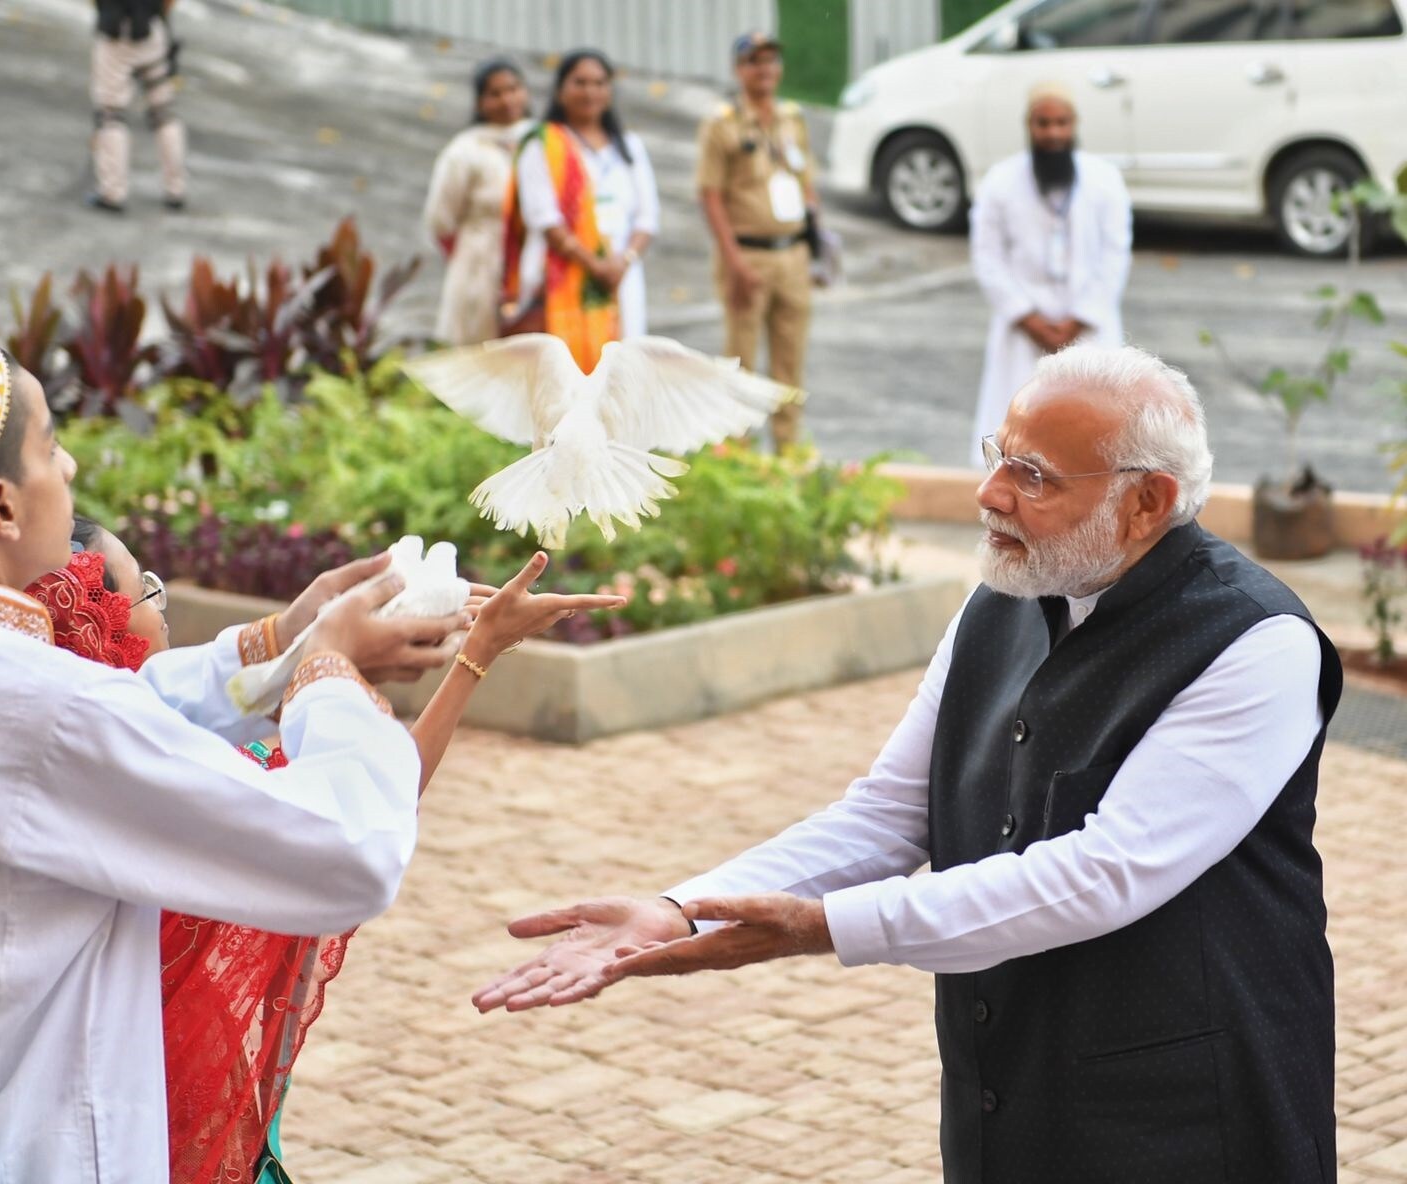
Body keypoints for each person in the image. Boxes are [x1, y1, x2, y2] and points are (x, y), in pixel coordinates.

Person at [475, 345, 1345, 1183]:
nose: (989, 493)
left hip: (1189, 1120)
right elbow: (889, 812)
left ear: (1148, 502)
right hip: (1009, 1102)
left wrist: (824, 927)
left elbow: (1107, 873)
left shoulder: (1254, 643)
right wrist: (684, 909)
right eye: (997, 457)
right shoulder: (1004, 597)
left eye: (1032, 475)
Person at [0, 319, 464, 1182]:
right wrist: (334, 678)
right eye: (50, 448)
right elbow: (346, 854)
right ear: (0, 505)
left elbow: (91, 730)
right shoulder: (32, 712)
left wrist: (278, 643)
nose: (70, 470)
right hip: (34, 1145)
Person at [17, 517, 616, 1184]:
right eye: (147, 591)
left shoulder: (67, 746)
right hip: (143, 1089)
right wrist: (346, 665)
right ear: (98, 627)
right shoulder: (170, 774)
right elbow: (356, 827)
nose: (163, 606)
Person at [969, 83, 1131, 463]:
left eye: (1061, 123)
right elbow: (987, 257)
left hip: (1090, 331)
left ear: (1074, 125)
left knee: (1095, 437)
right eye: (1044, 123)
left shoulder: (1105, 180)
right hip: (1022, 331)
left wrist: (1078, 320)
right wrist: (1029, 319)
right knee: (1013, 439)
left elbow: (1115, 256)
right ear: (1029, 125)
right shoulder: (1000, 181)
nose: (1053, 133)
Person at [505, 49, 660, 370]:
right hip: (564, 273)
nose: (590, 91)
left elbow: (647, 217)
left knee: (622, 369)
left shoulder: (629, 146)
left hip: (622, 275)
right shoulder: (542, 144)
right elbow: (544, 219)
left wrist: (623, 261)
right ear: (561, 90)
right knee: (564, 373)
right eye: (580, 82)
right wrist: (595, 265)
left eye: (600, 83)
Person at [696, 32, 815, 450]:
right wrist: (734, 263)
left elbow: (805, 182)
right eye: (753, 61)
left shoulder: (790, 118)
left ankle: (788, 452)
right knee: (741, 365)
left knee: (790, 361)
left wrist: (814, 249)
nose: (764, 69)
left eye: (770, 60)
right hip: (747, 255)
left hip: (792, 254)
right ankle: (739, 455)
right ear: (738, 69)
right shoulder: (722, 122)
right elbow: (710, 195)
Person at [423, 59, 534, 345]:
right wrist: (471, 264)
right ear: (480, 102)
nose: (507, 99)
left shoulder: (544, 142)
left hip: (536, 263)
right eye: (495, 93)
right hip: (481, 263)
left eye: (513, 89)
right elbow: (440, 221)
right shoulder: (465, 151)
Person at [88, 0, 187, 213]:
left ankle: (112, 192)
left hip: (117, 32)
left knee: (110, 114)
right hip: (152, 31)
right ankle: (176, 189)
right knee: (163, 112)